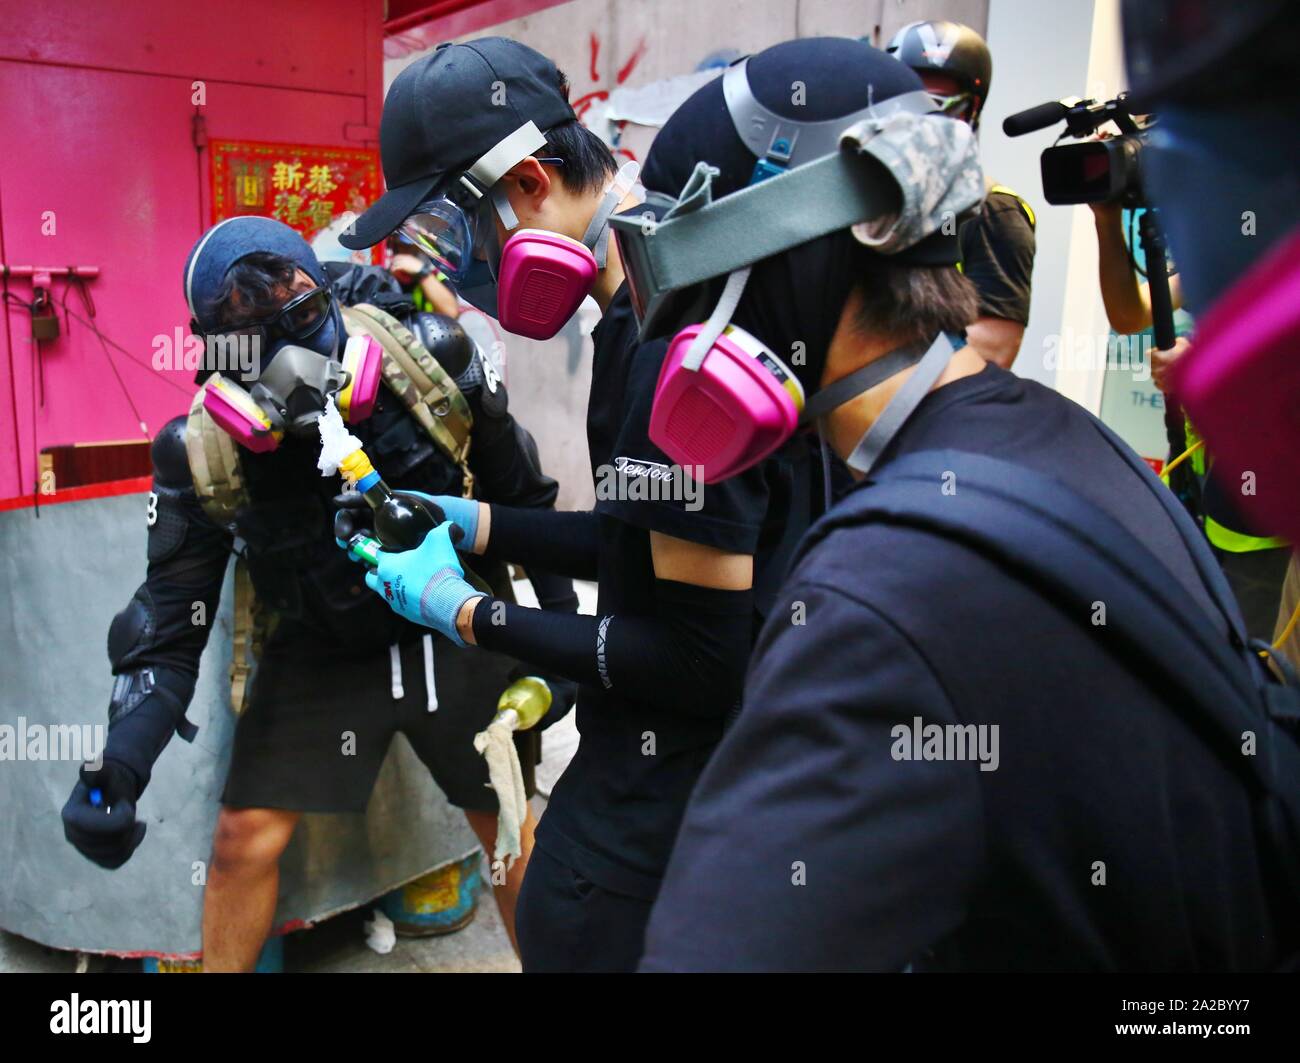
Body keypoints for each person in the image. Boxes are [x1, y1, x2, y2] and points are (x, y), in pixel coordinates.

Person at [601, 38, 1299, 971]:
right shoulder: (1076, 442)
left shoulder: (877, 599)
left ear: (782, 263)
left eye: (688, 299)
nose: (680, 345)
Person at [337, 36, 888, 970]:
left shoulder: (674, 344)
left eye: (450, 235)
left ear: (526, 185)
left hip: (694, 778)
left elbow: (698, 659)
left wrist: (467, 610)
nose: (456, 277)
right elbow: (642, 538)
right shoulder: (637, 315)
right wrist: (468, 520)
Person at [60, 216, 576, 969]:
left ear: (328, 295)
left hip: (447, 617)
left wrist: (560, 634)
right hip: (318, 645)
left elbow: (524, 500)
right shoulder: (200, 447)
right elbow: (168, 620)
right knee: (242, 841)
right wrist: (120, 765)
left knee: (507, 827)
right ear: (213, 349)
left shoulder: (431, 357)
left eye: (301, 314)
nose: (289, 354)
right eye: (247, 337)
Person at [1090, 199, 1290, 642]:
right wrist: (1106, 221)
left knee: (1249, 668)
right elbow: (1130, 314)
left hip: (1267, 520)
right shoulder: (1236, 239)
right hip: (1208, 483)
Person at [887, 19, 1036, 369]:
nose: (927, 122)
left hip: (925, 414)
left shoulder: (996, 212)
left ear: (973, 113)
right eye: (913, 103)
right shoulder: (868, 198)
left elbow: (995, 349)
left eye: (947, 108)